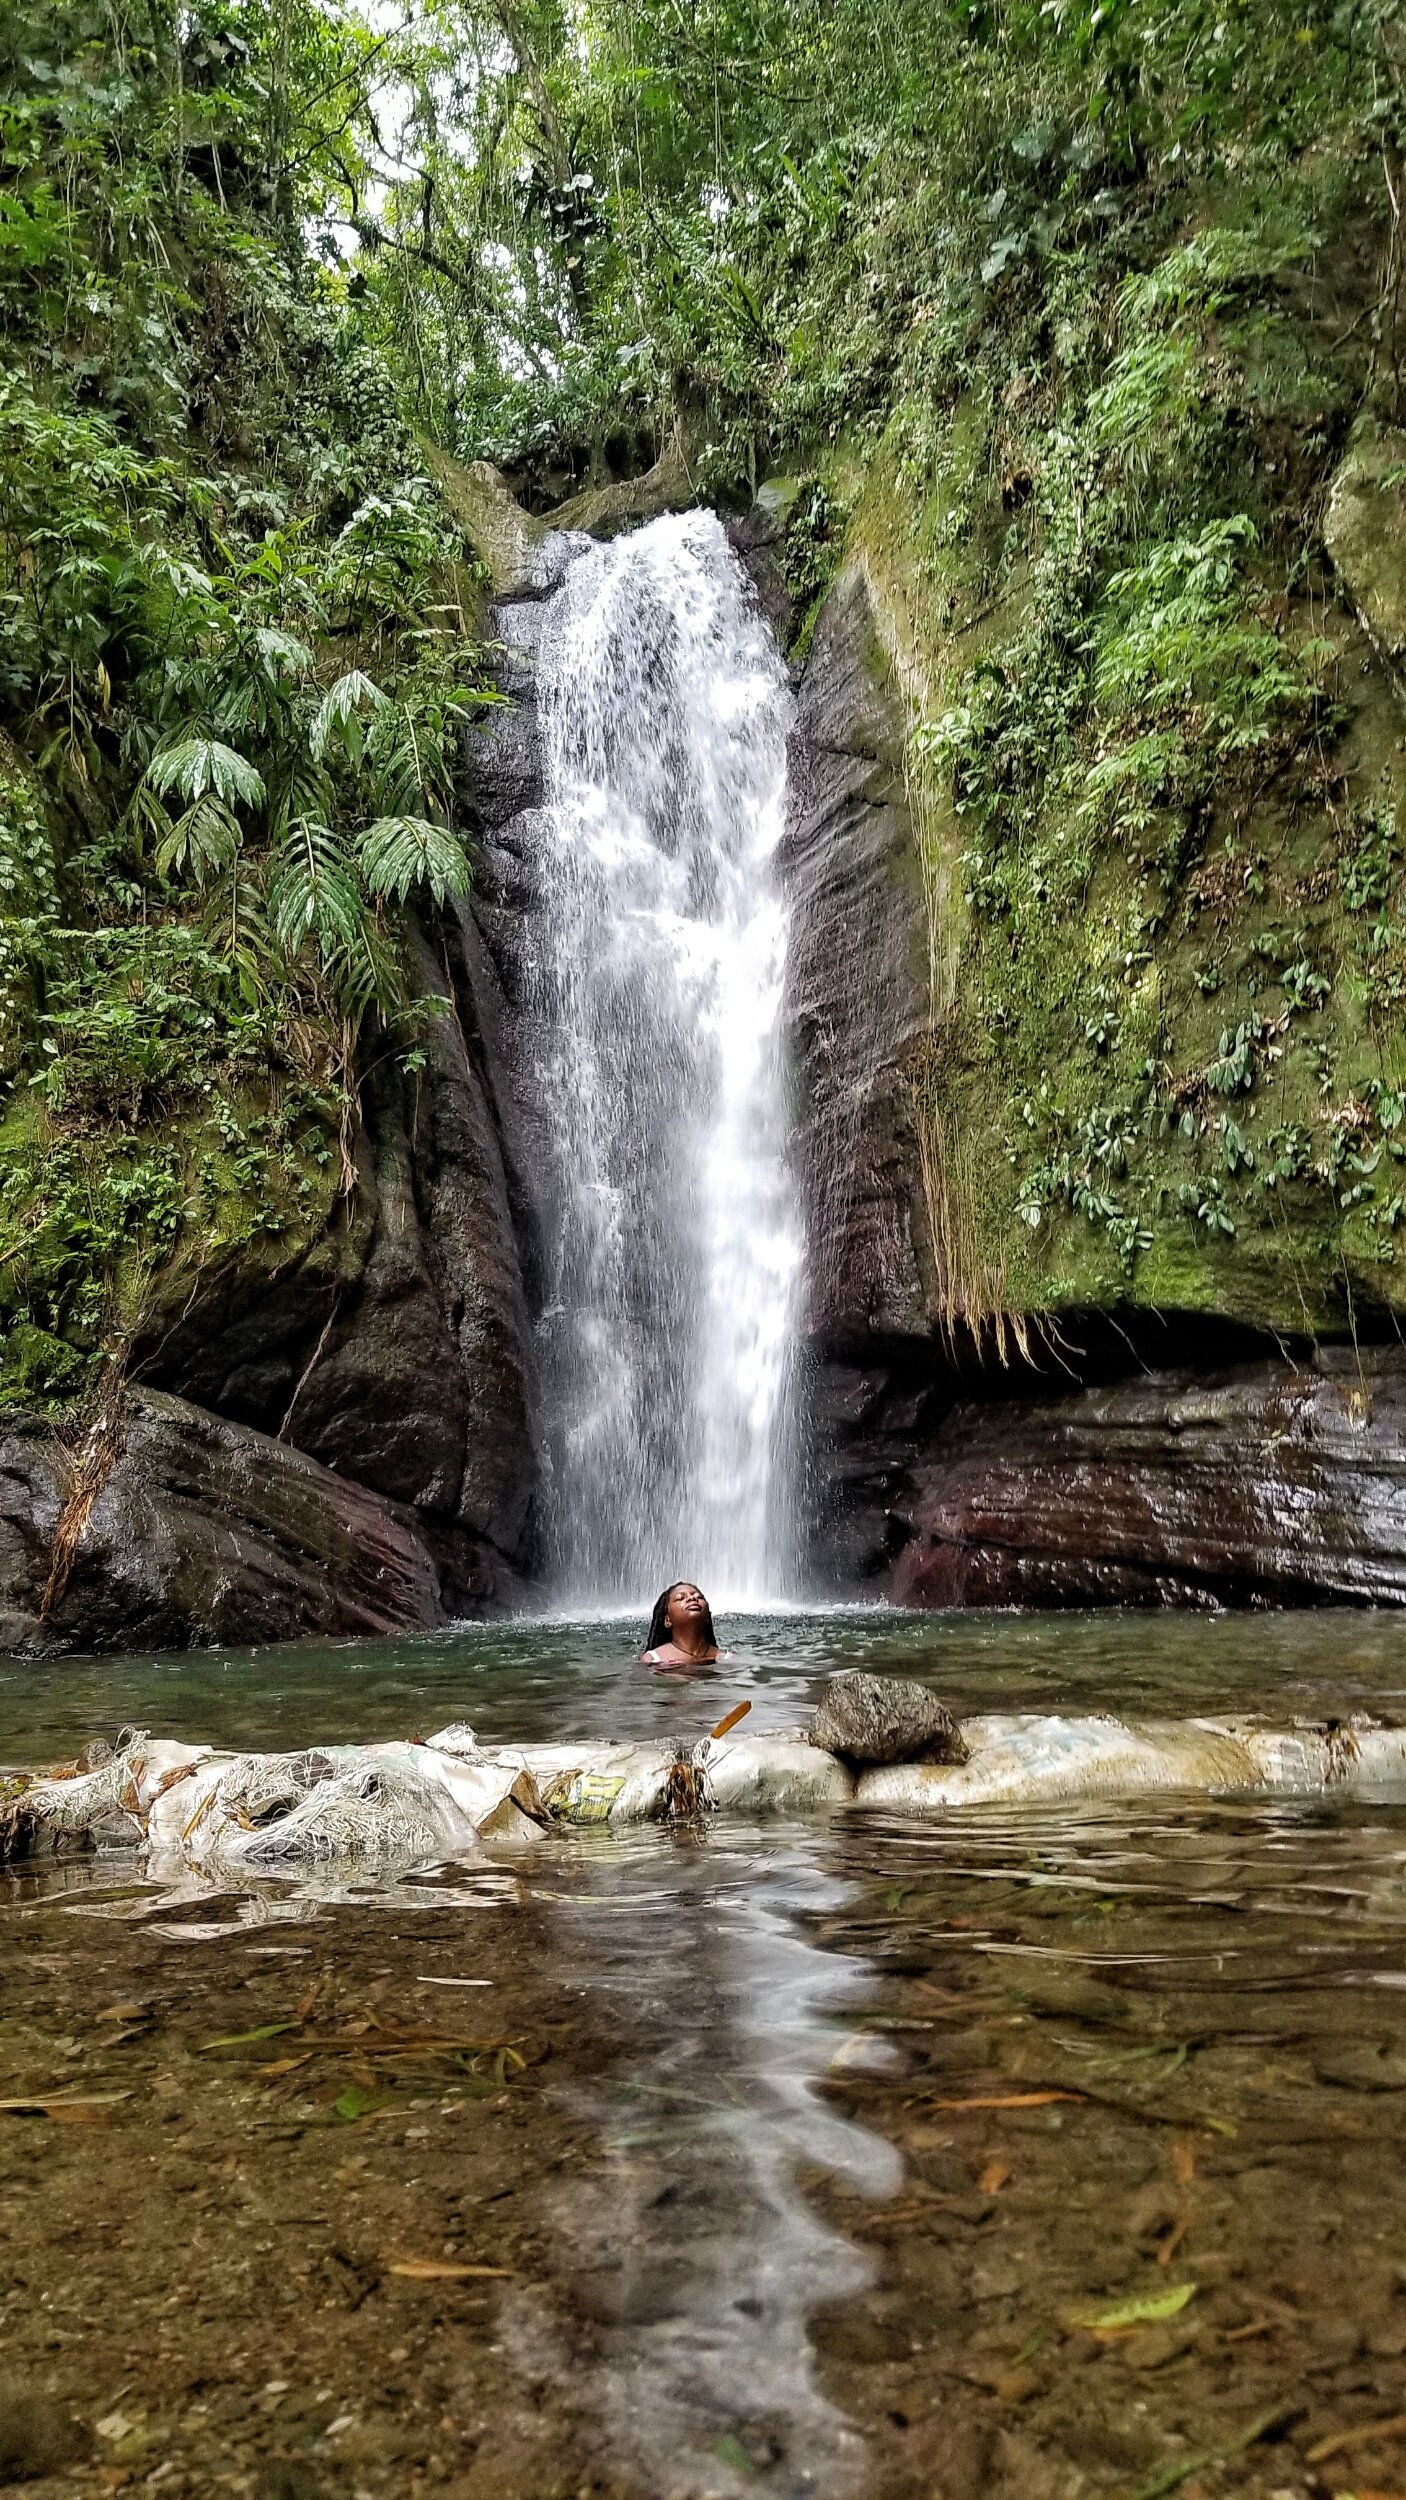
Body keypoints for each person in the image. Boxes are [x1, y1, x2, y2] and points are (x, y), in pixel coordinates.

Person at [640, 1582, 722, 1669]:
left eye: (699, 1597)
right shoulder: (653, 1659)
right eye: (680, 1598)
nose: (692, 1598)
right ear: (667, 1620)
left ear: (707, 1618)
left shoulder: (725, 1658)